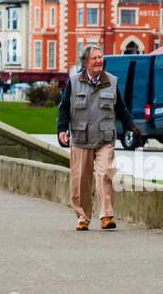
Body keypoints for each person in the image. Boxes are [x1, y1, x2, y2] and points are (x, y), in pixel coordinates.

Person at [56, 46, 139, 231]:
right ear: (86, 62)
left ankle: (106, 215)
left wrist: (131, 126)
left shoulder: (112, 81)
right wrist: (62, 129)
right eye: (94, 58)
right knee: (81, 180)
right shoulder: (74, 81)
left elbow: (122, 109)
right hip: (80, 137)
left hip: (104, 138)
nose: (98, 61)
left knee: (105, 174)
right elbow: (63, 108)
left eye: (100, 57)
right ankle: (83, 217)